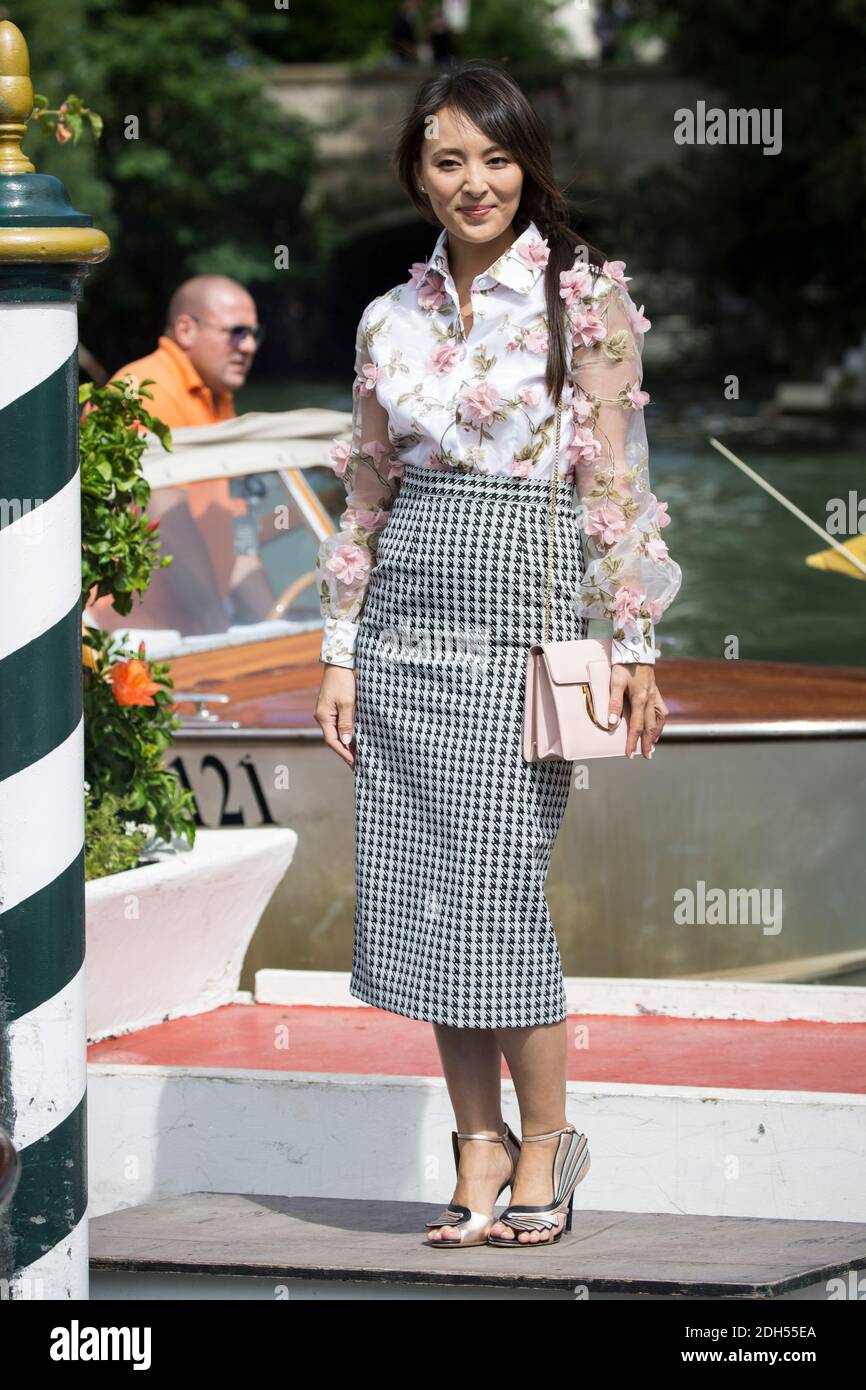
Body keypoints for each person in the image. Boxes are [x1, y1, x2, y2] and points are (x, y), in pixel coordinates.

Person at [314, 62, 682, 1249]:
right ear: (414, 173)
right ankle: (475, 1153)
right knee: (428, 898)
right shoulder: (387, 315)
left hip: (521, 606)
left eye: (496, 157)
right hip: (402, 611)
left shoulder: (588, 303)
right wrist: (337, 648)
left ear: (528, 165)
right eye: (447, 160)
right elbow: (366, 490)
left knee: (497, 891)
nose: (474, 182)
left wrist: (631, 637)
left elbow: (617, 484)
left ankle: (548, 1142)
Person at [87, 275, 271, 635]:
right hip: (134, 634)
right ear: (186, 330)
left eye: (255, 334)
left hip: (194, 627)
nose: (249, 346)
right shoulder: (146, 390)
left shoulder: (218, 400)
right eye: (236, 332)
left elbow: (240, 539)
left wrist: (269, 624)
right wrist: (217, 628)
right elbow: (167, 520)